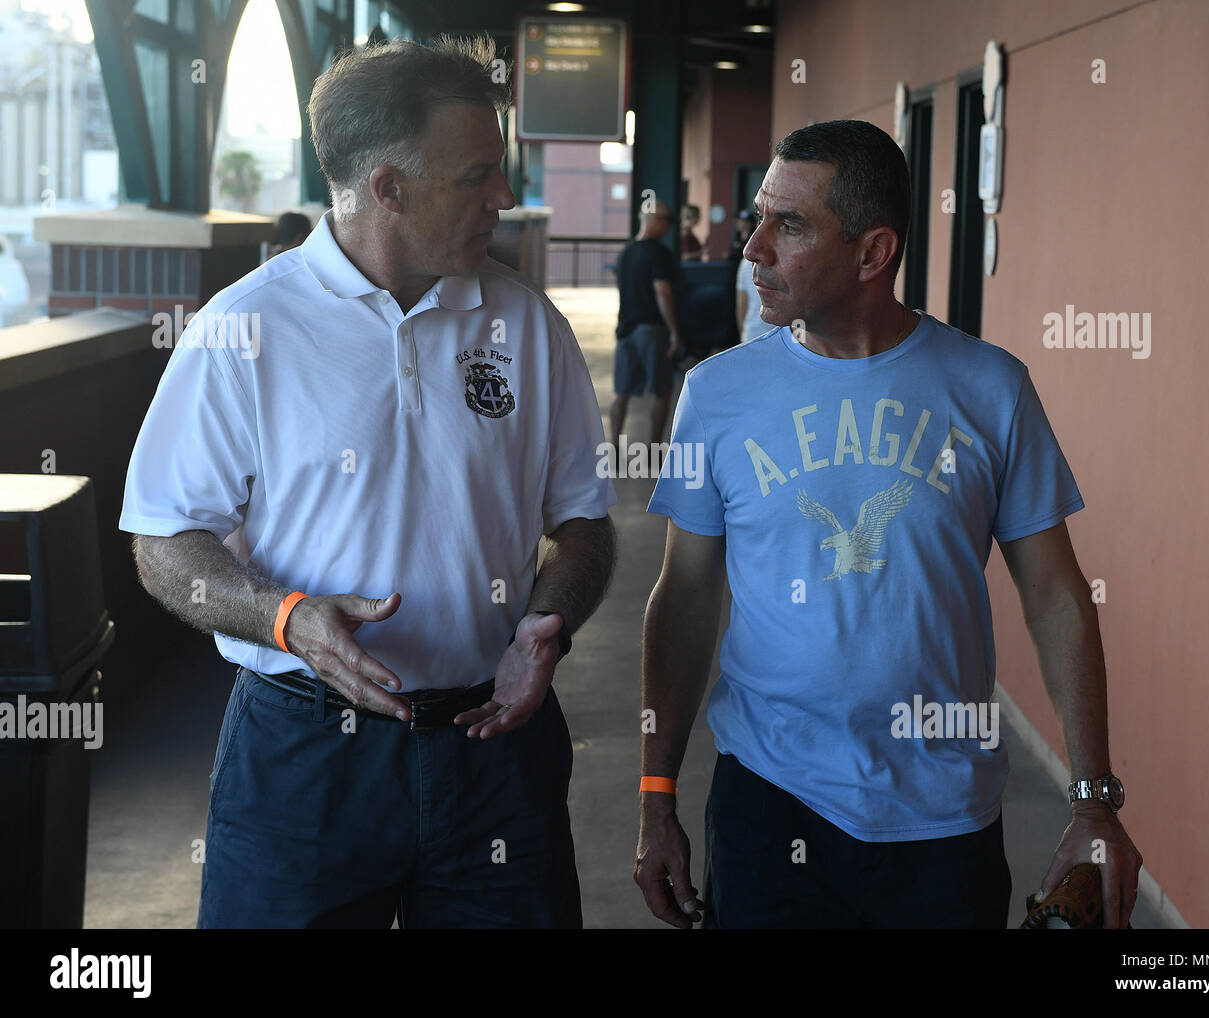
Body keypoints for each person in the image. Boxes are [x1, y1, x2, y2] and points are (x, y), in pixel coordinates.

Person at [119, 36, 616, 929]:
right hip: (303, 761)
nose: (505, 197)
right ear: (388, 188)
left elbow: (583, 520)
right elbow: (163, 540)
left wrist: (548, 622)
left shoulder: (529, 328)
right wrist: (286, 617)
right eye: (477, 176)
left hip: (495, 750)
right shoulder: (242, 332)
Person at [634, 119, 1142, 929]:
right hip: (769, 807)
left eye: (789, 225)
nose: (753, 247)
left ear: (873, 254)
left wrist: (1091, 803)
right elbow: (686, 596)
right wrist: (656, 798)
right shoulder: (717, 395)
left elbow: (1053, 597)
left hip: (944, 819)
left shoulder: (990, 388)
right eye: (758, 218)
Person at [611, 199, 682, 449]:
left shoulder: (626, 253)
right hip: (652, 330)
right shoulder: (659, 252)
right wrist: (674, 331)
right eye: (668, 222)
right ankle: (653, 450)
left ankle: (615, 449)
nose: (669, 228)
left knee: (622, 394)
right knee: (661, 391)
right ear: (658, 220)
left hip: (625, 331)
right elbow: (662, 291)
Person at [732, 206, 769, 343]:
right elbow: (741, 302)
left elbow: (741, 303)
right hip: (754, 333)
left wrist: (743, 333)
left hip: (755, 334)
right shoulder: (745, 261)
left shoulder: (745, 262)